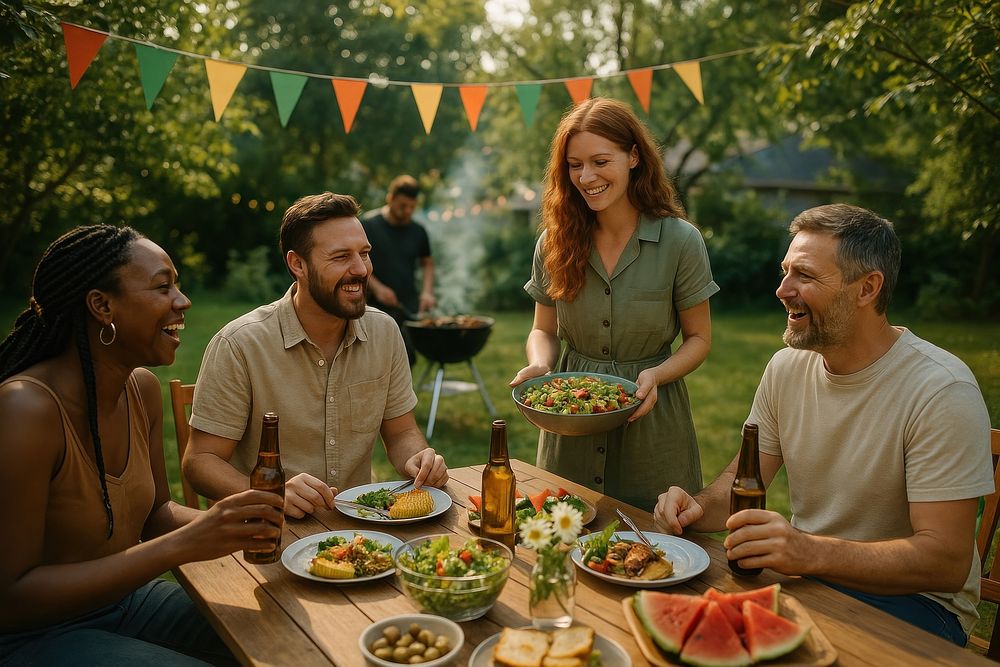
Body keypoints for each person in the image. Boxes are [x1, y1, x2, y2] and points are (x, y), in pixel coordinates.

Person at [653, 204, 993, 645]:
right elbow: (739, 479)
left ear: (868, 288)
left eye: (805, 276)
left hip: (920, 605)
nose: (781, 289)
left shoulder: (941, 391)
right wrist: (696, 506)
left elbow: (943, 562)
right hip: (811, 579)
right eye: (785, 271)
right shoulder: (787, 368)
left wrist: (806, 550)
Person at [0, 225, 284, 665]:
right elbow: (10, 597)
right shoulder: (25, 410)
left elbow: (154, 515)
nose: (183, 300)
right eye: (162, 286)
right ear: (101, 305)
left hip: (127, 602)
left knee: (282, 635)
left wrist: (239, 526)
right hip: (31, 633)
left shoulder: (142, 390)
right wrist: (184, 545)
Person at [183, 192, 448, 519]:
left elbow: (401, 432)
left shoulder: (384, 332)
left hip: (361, 531)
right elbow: (200, 462)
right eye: (340, 257)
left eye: (364, 254)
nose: (360, 269)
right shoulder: (240, 345)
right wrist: (272, 494)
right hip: (266, 535)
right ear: (298, 265)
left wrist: (418, 457)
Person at [509, 97, 719, 510]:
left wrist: (657, 375)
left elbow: (699, 339)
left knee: (658, 550)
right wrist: (540, 365)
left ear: (634, 157)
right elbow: (543, 330)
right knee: (562, 534)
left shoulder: (680, 241)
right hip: (569, 421)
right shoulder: (555, 242)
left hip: (654, 426)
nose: (587, 177)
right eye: (574, 165)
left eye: (601, 161)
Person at [362, 174, 436, 366]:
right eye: (403, 206)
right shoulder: (368, 225)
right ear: (390, 198)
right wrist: (377, 288)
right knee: (376, 360)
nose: (407, 211)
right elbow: (356, 263)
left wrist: (427, 292)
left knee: (406, 358)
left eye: (412, 207)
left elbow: (427, 263)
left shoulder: (418, 231)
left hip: (407, 305)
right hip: (373, 304)